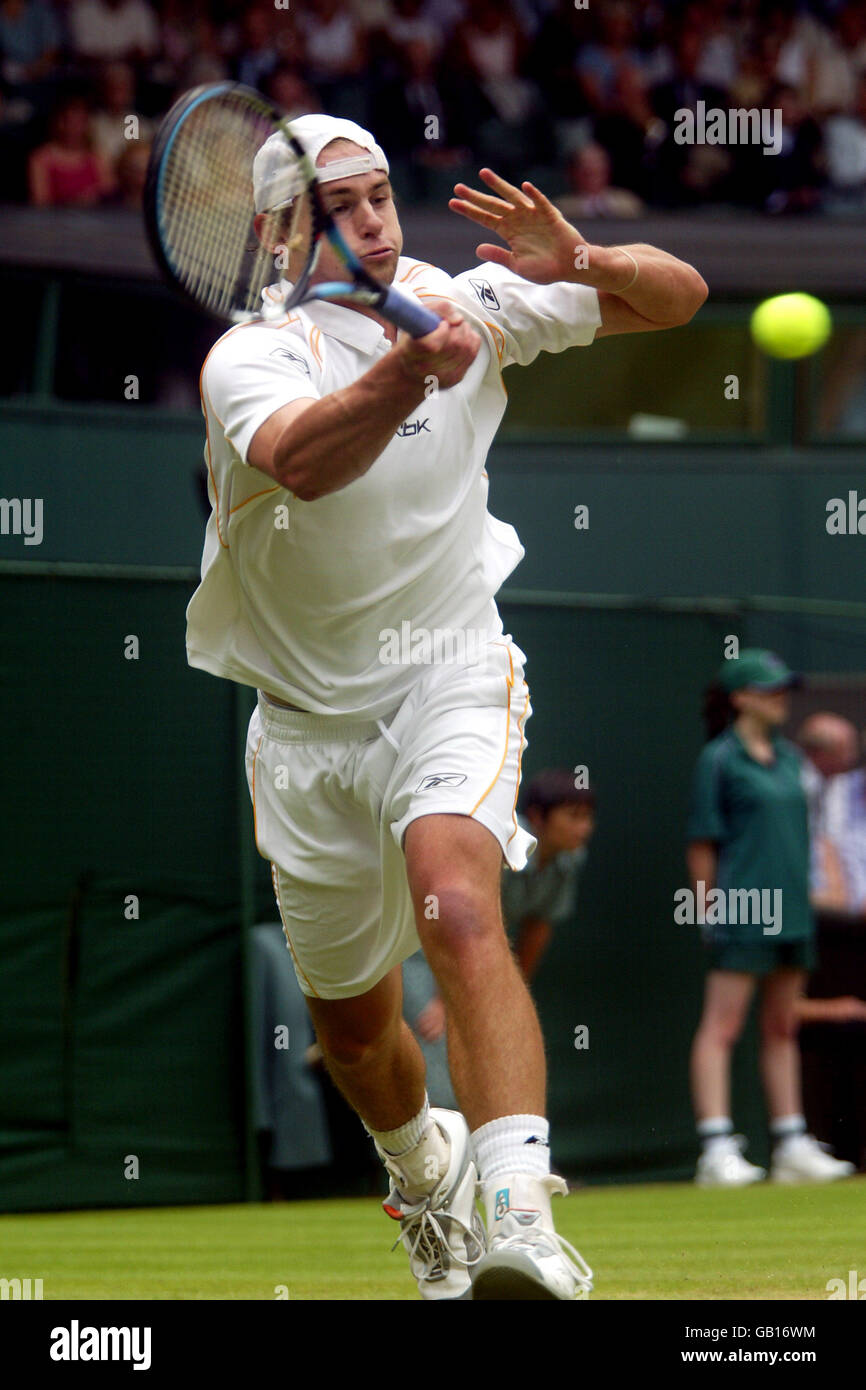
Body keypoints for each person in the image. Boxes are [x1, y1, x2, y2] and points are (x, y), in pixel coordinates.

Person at [186, 110, 707, 1300]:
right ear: (278, 233)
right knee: (360, 1039)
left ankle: (518, 1208)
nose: (372, 220)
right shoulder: (246, 361)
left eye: (379, 195)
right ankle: (424, 1175)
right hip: (306, 733)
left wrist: (578, 259)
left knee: (457, 903)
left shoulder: (458, 294)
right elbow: (308, 460)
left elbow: (678, 299)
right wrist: (408, 365)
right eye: (341, 205)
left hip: (449, 671)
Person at [686, 649, 855, 1188]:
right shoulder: (718, 759)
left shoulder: (791, 761)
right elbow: (702, 843)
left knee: (782, 1026)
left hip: (794, 912)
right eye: (769, 688)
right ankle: (716, 1148)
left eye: (784, 688)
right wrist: (706, 907)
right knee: (723, 1026)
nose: (781, 697)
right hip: (742, 909)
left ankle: (790, 1144)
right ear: (740, 698)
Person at [402, 768, 596, 1109]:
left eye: (588, 817)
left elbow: (538, 928)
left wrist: (513, 992)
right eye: (574, 816)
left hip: (473, 962)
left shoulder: (570, 859)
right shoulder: (495, 846)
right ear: (537, 817)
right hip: (419, 953)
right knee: (438, 1065)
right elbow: (458, 925)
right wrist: (446, 999)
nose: (585, 828)